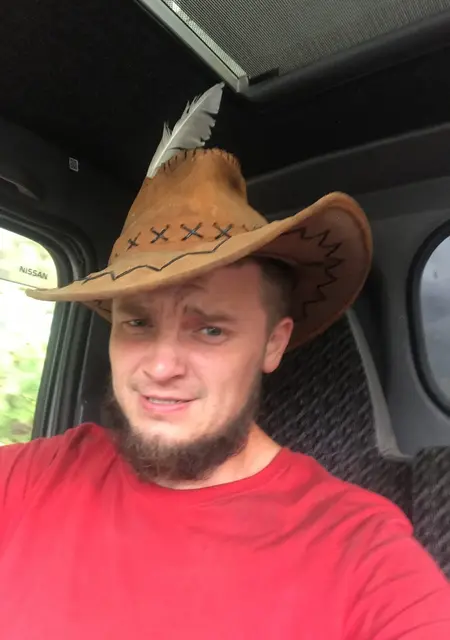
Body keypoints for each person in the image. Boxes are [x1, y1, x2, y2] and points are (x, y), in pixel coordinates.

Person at [0, 86, 449, 639]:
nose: (160, 366)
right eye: (137, 323)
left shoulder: (360, 553)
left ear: (272, 345)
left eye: (210, 329)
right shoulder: (38, 475)